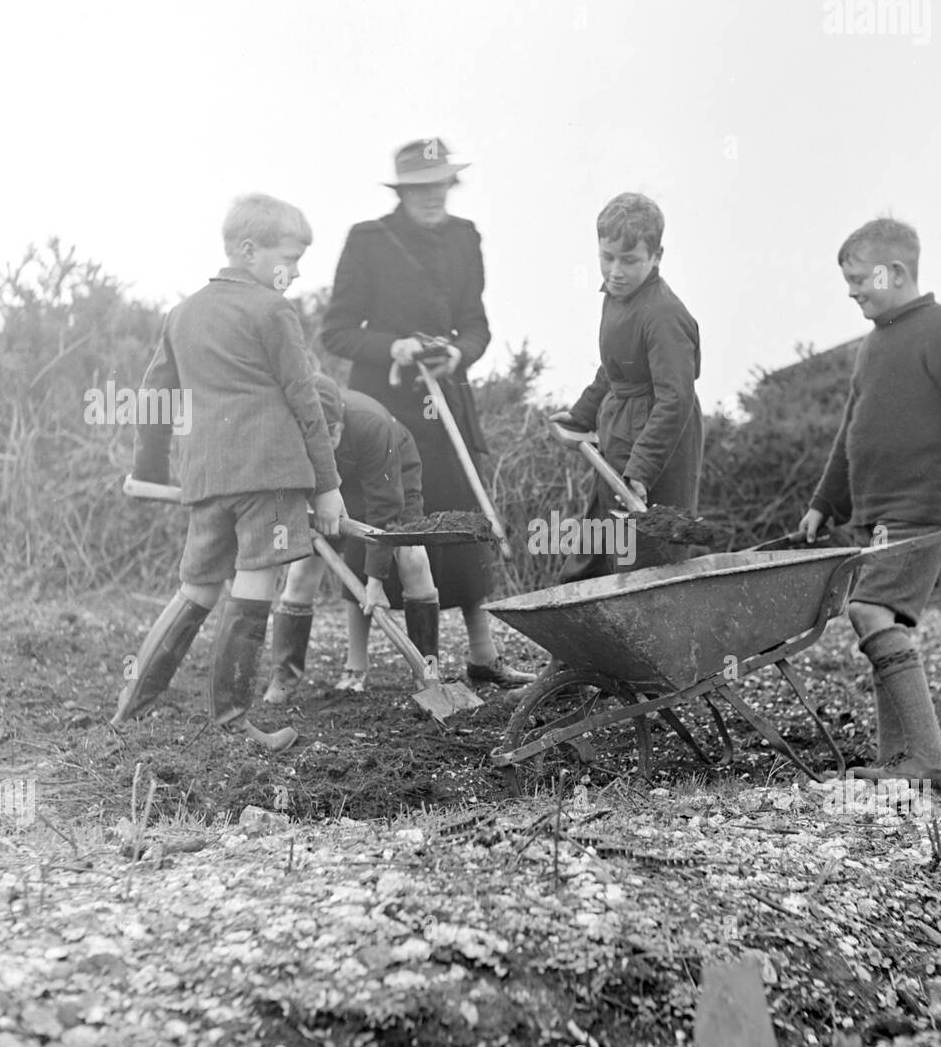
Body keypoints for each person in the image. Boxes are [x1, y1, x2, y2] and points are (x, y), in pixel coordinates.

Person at [112, 193, 343, 752]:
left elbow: (155, 398)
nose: (296, 270)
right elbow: (304, 400)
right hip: (269, 474)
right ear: (249, 250)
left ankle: (130, 709)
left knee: (197, 587)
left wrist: (148, 468)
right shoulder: (272, 310)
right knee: (256, 583)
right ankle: (233, 722)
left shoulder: (182, 312)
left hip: (207, 476)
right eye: (289, 257)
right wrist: (329, 486)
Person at [799, 217, 941, 794]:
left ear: (893, 272)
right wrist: (824, 501)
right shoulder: (872, 345)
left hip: (921, 511)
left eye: (858, 278)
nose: (851, 291)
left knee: (867, 612)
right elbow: (850, 432)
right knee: (878, 616)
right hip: (874, 518)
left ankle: (928, 759)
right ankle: (899, 759)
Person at [321, 138, 532, 688]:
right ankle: (356, 665)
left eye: (441, 184)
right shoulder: (368, 241)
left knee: (461, 524)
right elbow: (338, 331)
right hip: (383, 413)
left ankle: (482, 657)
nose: (434, 195)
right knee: (374, 526)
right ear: (403, 191)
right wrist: (395, 347)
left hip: (447, 411)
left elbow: (477, 323)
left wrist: (458, 353)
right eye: (422, 187)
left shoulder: (466, 239)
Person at [552, 192, 703, 577]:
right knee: (600, 540)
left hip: (661, 441)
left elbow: (676, 398)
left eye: (630, 260)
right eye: (607, 257)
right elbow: (614, 370)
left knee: (647, 553)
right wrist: (582, 414)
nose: (615, 271)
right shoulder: (616, 298)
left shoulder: (663, 313)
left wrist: (643, 468)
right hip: (619, 429)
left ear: (656, 256)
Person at [264, 373, 440, 700]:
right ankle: (284, 677)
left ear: (340, 425)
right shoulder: (290, 428)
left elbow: (385, 508)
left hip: (391, 477)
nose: (320, 444)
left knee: (414, 559)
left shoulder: (371, 425)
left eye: (329, 435)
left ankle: (428, 676)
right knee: (301, 573)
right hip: (331, 490)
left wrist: (375, 582)